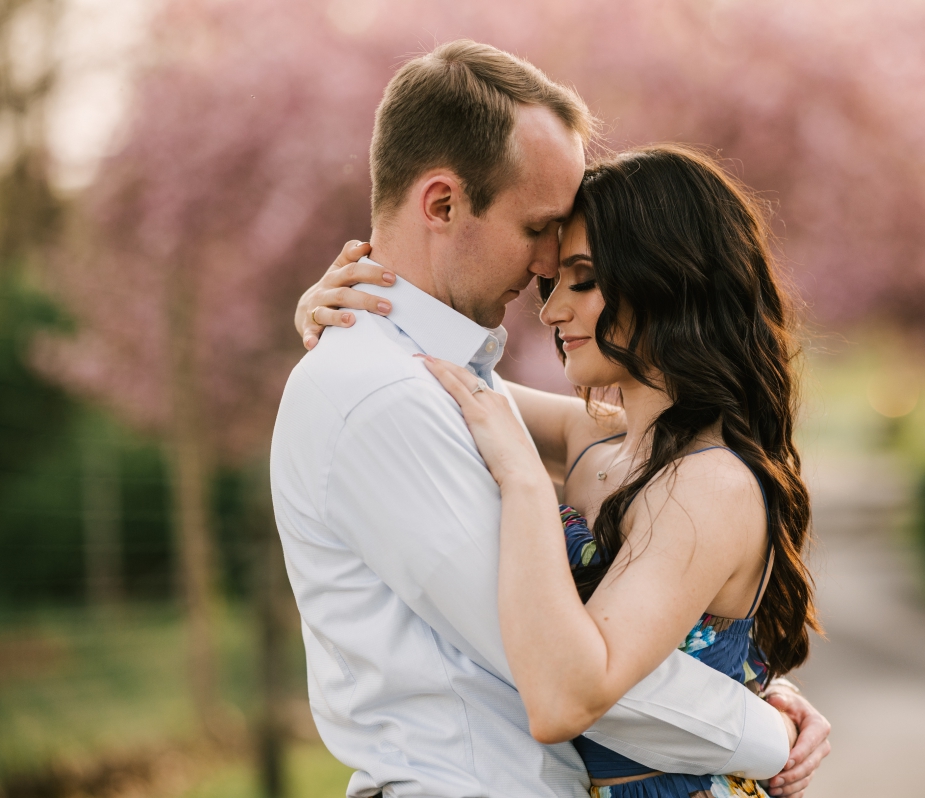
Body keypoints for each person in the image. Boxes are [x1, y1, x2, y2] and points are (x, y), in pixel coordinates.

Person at [273, 40, 829, 798]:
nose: (546, 283)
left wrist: (748, 690)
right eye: (540, 232)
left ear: (663, 287)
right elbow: (567, 678)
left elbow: (592, 663)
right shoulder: (394, 395)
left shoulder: (686, 473)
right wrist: (764, 728)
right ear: (442, 203)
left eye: (582, 275)